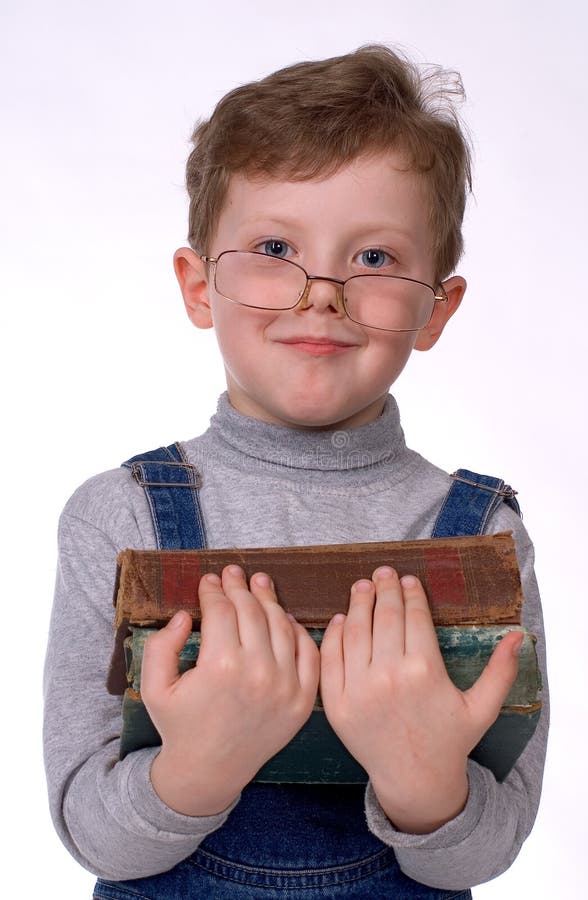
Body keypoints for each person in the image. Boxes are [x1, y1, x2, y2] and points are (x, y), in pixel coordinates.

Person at [43, 45, 548, 899]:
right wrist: (200, 766)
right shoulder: (119, 517)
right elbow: (93, 834)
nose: (321, 293)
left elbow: (487, 852)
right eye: (275, 245)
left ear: (437, 308)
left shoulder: (482, 532)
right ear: (199, 285)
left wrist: (422, 776)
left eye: (376, 260)